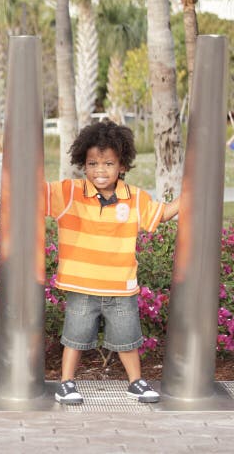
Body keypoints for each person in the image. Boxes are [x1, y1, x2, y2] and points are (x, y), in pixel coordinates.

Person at [48, 120, 179, 406]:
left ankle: (136, 382)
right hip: (81, 286)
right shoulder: (69, 193)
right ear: (84, 164)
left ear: (122, 166)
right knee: (74, 338)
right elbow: (36, 194)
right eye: (93, 163)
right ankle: (66, 382)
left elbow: (164, 214)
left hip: (121, 287)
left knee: (128, 340)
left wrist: (191, 197)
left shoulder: (135, 199)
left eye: (108, 164)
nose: (100, 170)